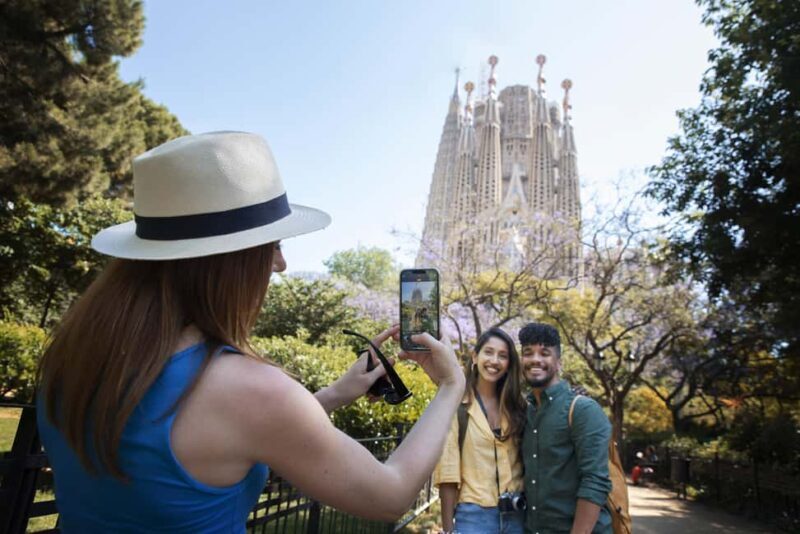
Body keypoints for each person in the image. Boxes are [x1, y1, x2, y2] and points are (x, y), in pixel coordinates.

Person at [35, 131, 465, 533]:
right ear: (229, 262)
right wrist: (450, 385)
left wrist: (331, 396)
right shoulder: (249, 390)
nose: (280, 264)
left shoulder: (72, 357)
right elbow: (390, 495)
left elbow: (201, 442)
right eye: (273, 246)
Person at [519, 323, 612, 534]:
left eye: (545, 353)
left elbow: (595, 482)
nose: (535, 359)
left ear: (559, 362)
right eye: (528, 353)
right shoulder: (525, 412)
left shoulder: (582, 409)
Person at [435, 327, 527, 534]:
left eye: (502, 356)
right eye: (488, 352)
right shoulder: (457, 406)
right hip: (474, 518)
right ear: (475, 357)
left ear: (508, 365)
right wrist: (449, 530)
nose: (494, 361)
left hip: (518, 516)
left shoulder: (518, 407)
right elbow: (448, 475)